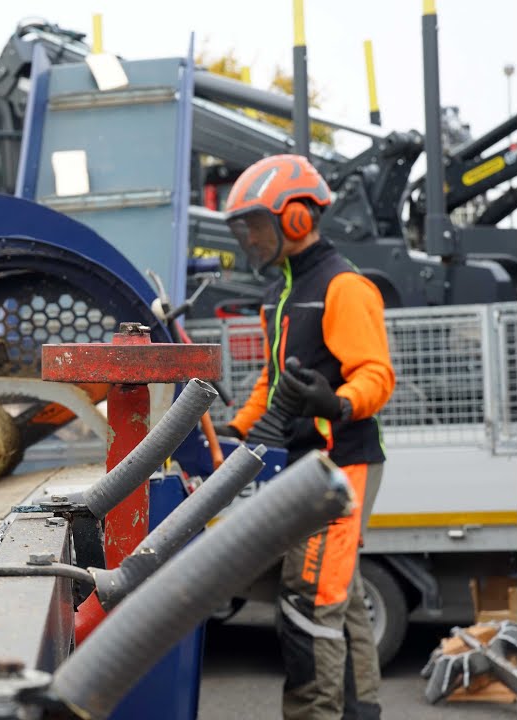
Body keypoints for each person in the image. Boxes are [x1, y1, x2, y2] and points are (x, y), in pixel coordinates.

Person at [215, 154, 396, 720]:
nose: (250, 238)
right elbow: (274, 378)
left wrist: (337, 401)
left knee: (308, 598)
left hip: (340, 464)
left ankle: (313, 714)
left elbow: (376, 373)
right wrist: (236, 426)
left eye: (257, 224)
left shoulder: (343, 287)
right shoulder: (283, 294)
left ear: (296, 218)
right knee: (342, 601)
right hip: (306, 464)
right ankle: (360, 709)